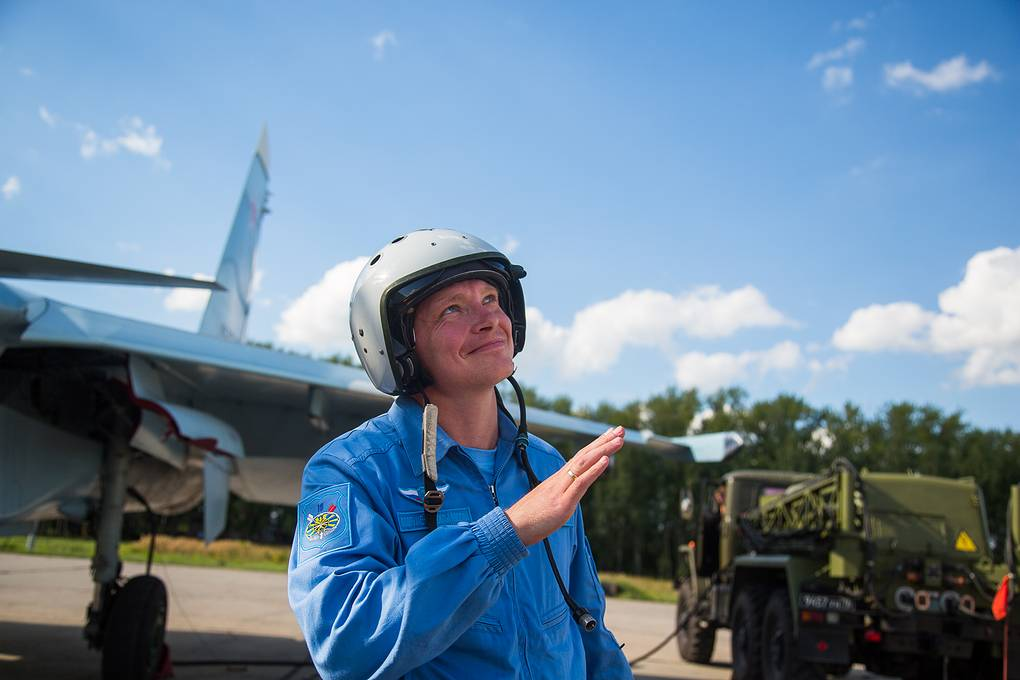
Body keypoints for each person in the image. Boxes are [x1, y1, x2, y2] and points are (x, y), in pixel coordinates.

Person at [288, 229, 632, 679]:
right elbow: (344, 643)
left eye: (491, 298)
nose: (489, 319)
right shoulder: (351, 473)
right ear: (399, 347)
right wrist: (504, 535)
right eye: (453, 309)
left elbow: (588, 631)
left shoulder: (547, 468)